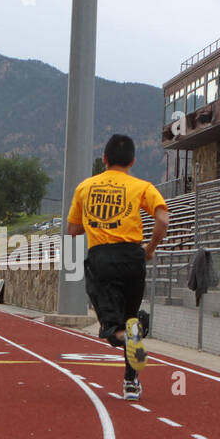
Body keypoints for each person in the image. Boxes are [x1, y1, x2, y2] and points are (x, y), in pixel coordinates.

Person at [66, 134, 169, 401]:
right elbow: (163, 220)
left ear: (104, 159)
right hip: (133, 257)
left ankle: (126, 335)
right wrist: (150, 249)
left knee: (113, 328)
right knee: (130, 317)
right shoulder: (142, 187)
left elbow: (73, 230)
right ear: (132, 161)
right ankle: (130, 382)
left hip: (102, 258)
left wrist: (92, 222)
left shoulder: (85, 187)